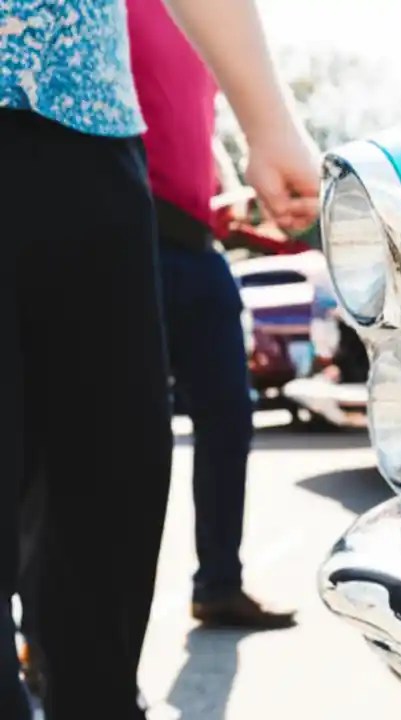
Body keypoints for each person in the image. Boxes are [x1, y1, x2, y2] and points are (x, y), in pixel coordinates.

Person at [0, 1, 317, 718]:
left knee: (110, 487)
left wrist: (266, 119)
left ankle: (116, 675)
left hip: (94, 139)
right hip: (124, 190)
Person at [128, 0, 306, 630]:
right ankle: (57, 636)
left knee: (231, 414)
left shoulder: (211, 28)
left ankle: (219, 583)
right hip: (124, 227)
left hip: (197, 245)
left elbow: (192, 119)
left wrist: (233, 176)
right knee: (107, 438)